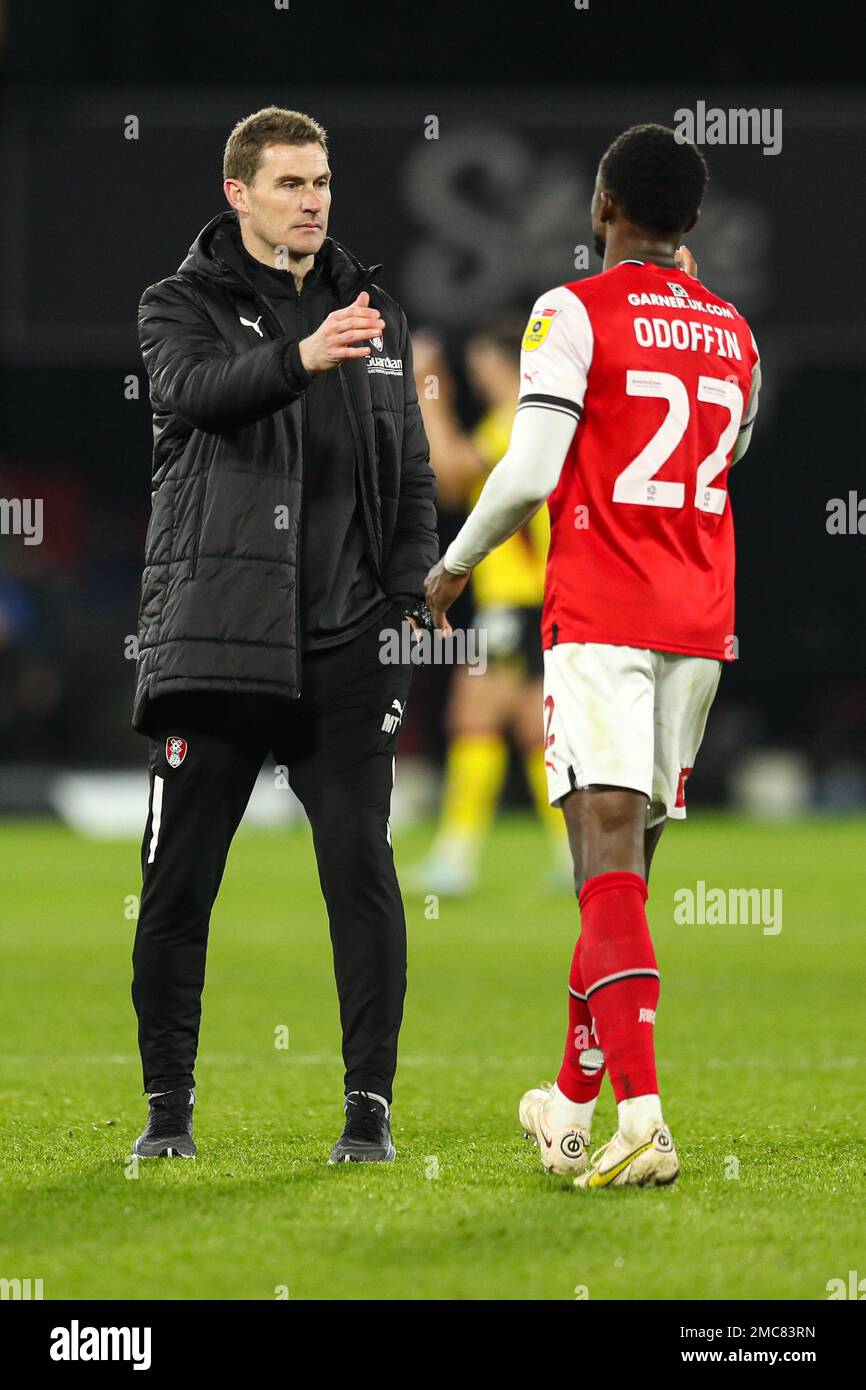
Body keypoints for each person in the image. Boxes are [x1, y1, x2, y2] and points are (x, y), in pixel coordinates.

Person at [425, 124, 760, 1189]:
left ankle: (644, 1119)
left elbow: (528, 471)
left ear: (601, 208)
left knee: (603, 863)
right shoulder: (734, 333)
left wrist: (451, 566)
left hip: (604, 610)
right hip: (698, 624)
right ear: (691, 225)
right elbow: (729, 450)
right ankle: (570, 1107)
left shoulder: (568, 310)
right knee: (620, 877)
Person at [130, 106, 437, 1164]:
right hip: (220, 638)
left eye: (322, 182)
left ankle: (368, 1108)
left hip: (346, 642)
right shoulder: (181, 305)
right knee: (177, 881)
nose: (313, 200)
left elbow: (409, 471)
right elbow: (195, 394)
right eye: (292, 183)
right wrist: (304, 357)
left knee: (360, 865)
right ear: (240, 194)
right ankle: (168, 1109)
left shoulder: (373, 312)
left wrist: (406, 602)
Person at [406, 322, 569, 896]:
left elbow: (448, 473)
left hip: (517, 602)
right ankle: (572, 856)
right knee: (534, 731)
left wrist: (429, 387)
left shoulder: (516, 422)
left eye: (483, 365)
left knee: (473, 719)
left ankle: (455, 859)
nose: (479, 375)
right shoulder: (532, 424)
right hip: (535, 601)